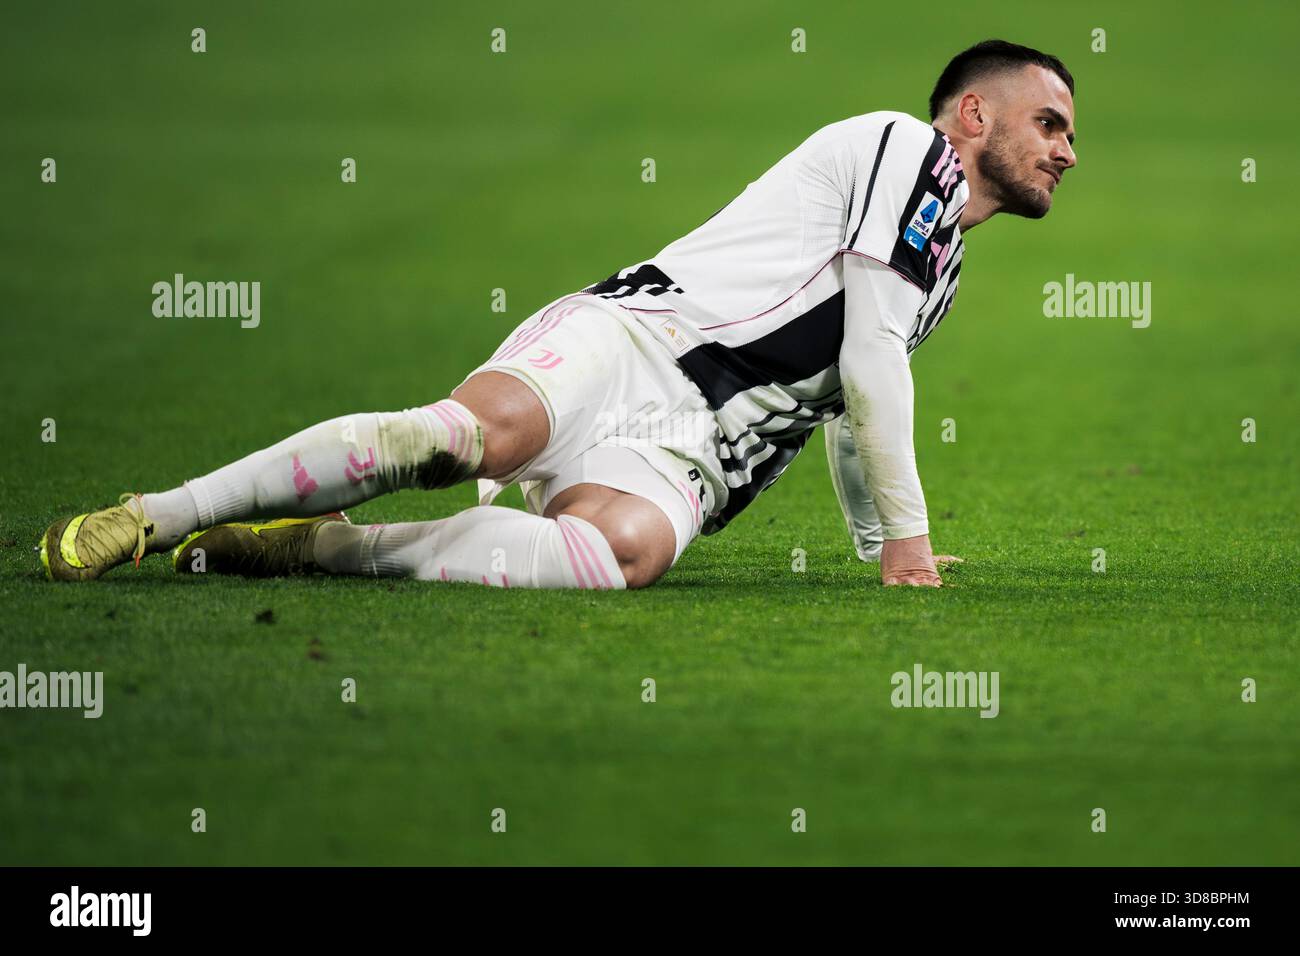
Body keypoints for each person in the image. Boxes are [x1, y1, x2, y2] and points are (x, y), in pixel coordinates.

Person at [41, 39, 1076, 590]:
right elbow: (867, 365)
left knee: (615, 558)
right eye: (1049, 122)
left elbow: (852, 404)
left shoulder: (934, 273)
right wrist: (906, 538)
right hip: (628, 341)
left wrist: (878, 549)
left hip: (687, 452)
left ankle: (312, 548)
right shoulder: (907, 149)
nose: (1066, 150)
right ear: (971, 113)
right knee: (454, 439)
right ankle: (154, 514)